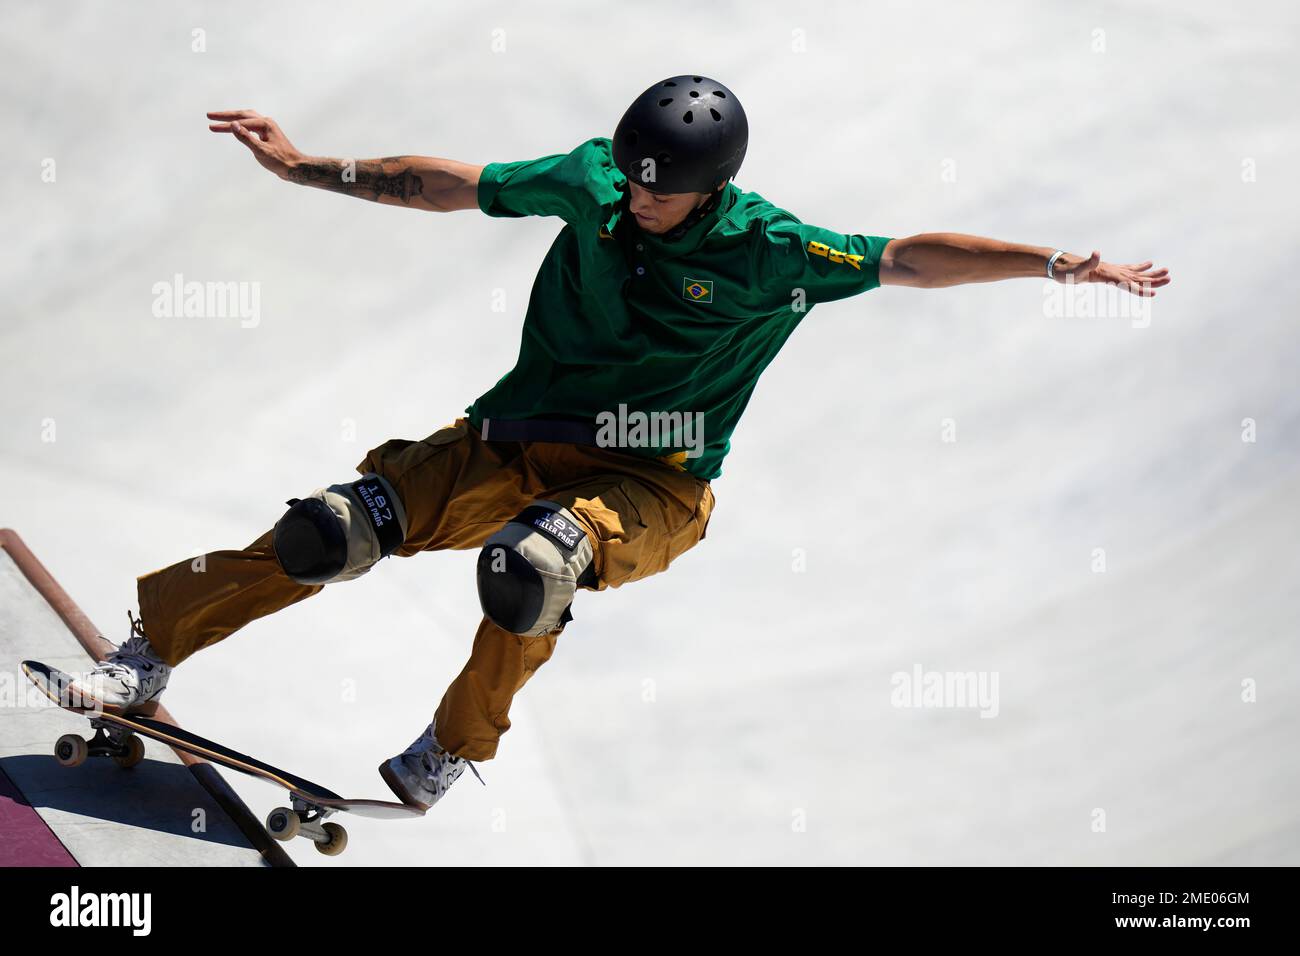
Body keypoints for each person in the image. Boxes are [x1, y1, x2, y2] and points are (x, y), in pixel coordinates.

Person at [64, 75, 1168, 810]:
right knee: (329, 530)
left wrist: (1057, 265)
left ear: (713, 187)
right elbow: (447, 185)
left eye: (665, 196)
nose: (639, 206)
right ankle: (150, 643)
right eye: (634, 186)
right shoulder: (594, 179)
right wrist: (308, 167)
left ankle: (452, 744)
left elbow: (911, 258)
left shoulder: (772, 248)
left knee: (531, 567)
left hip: (654, 481)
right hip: (513, 439)